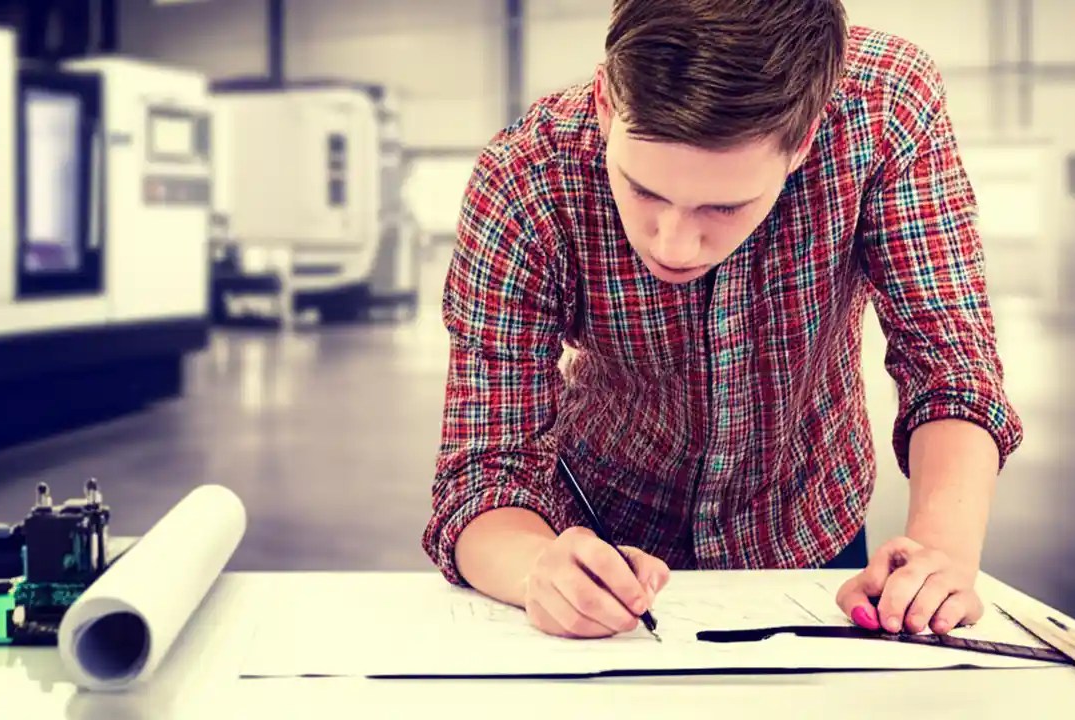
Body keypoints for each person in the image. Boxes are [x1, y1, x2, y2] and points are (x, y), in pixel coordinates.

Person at [421, 0, 1024, 641]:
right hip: (598, 539)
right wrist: (536, 566)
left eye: (726, 206)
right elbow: (483, 468)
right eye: (644, 189)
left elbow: (950, 361)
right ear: (604, 102)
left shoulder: (884, 108)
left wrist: (939, 554)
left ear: (807, 136)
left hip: (807, 521)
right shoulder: (524, 176)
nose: (674, 246)